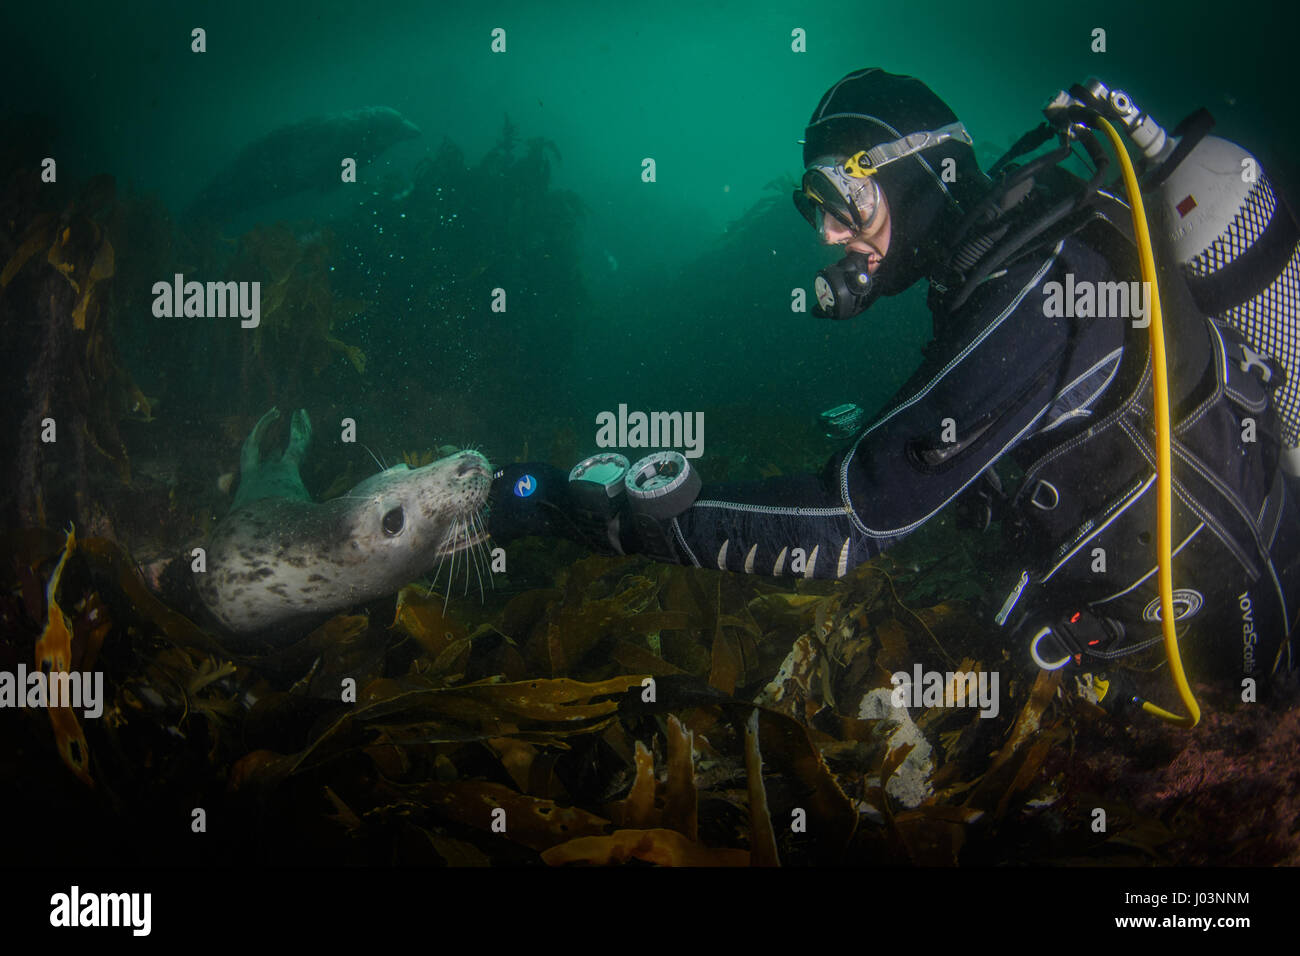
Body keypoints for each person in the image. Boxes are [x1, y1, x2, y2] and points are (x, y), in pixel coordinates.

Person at [489, 68, 1300, 715]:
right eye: (815, 210)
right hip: (1189, 616)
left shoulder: (1036, 290)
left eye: (845, 200)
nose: (830, 237)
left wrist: (573, 512)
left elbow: (846, 524)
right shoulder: (1016, 264)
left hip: (1259, 629)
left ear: (922, 173)